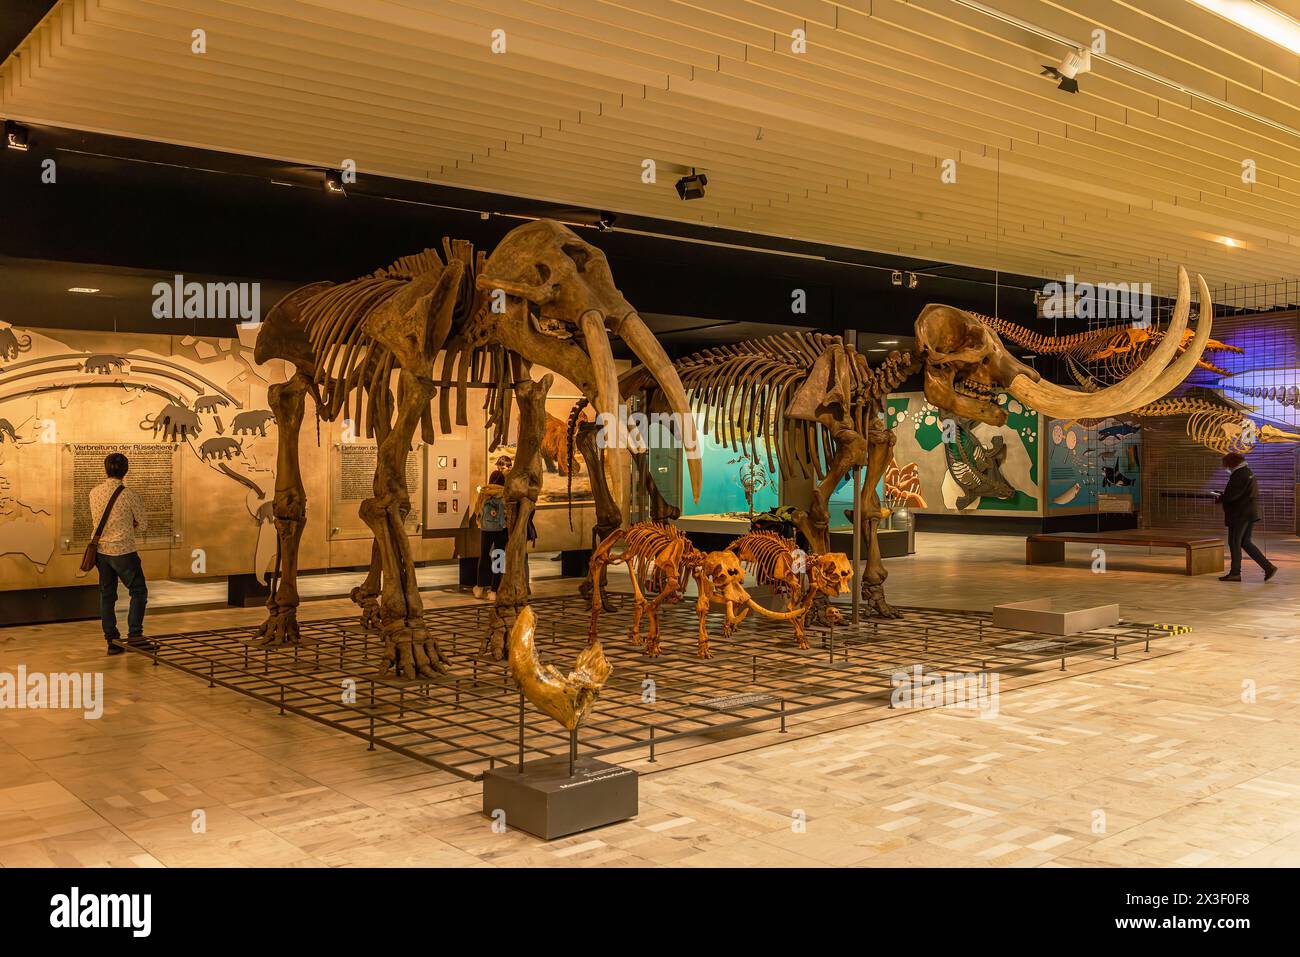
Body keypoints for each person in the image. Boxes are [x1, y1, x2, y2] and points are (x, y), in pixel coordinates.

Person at [89, 453, 158, 654]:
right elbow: (143, 525)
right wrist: (130, 524)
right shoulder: (130, 495)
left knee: (107, 595)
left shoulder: (94, 493)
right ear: (125, 470)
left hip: (101, 552)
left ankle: (112, 641)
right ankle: (135, 636)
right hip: (124, 551)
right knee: (138, 592)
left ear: (106, 469)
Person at [1214, 451, 1277, 582]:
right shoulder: (1248, 472)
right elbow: (1241, 493)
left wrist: (1221, 497)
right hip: (1249, 512)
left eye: (1227, 465)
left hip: (1240, 514)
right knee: (1245, 542)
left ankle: (1235, 573)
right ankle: (1268, 567)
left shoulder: (1238, 475)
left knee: (1234, 542)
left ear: (1231, 463)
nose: (1226, 468)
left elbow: (1232, 496)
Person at [471, 469, 508, 600]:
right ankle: (494, 591)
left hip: (486, 530)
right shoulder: (505, 492)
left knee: (484, 556)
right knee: (499, 556)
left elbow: (477, 510)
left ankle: (479, 588)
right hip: (501, 530)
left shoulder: (484, 492)